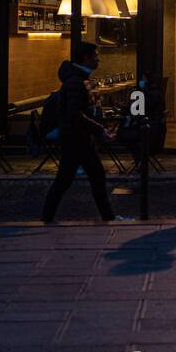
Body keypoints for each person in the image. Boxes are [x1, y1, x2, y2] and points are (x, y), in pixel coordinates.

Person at [41, 41, 129, 223]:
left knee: (83, 177)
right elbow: (75, 113)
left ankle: (107, 217)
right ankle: (47, 218)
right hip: (76, 139)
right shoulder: (75, 82)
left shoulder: (78, 79)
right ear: (86, 58)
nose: (98, 59)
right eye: (95, 56)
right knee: (75, 179)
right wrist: (99, 130)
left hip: (77, 138)